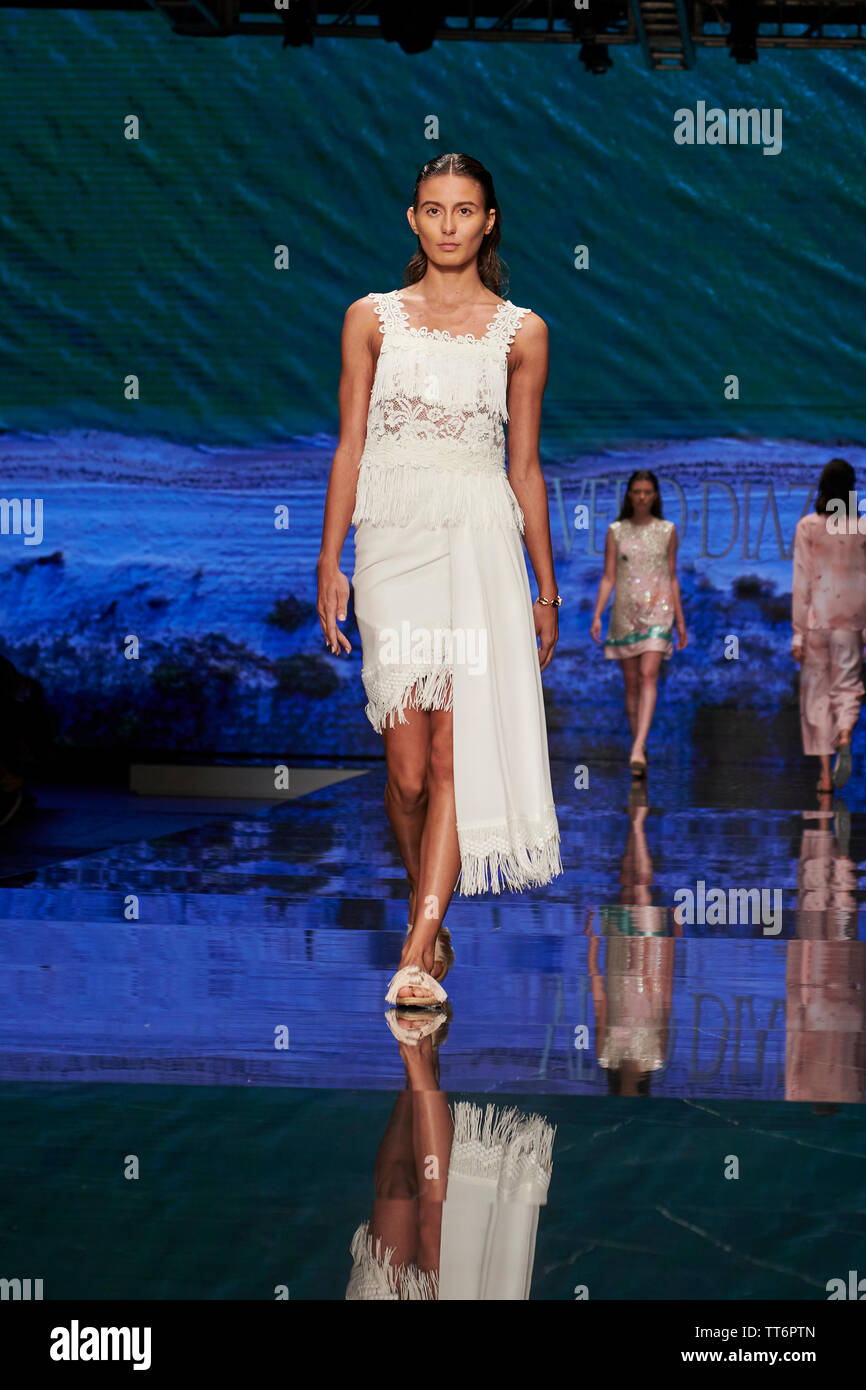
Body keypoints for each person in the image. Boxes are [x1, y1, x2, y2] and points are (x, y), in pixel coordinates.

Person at [316, 152, 562, 1007]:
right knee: (410, 774)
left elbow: (525, 467)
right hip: (393, 541)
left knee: (457, 754)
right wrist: (329, 557)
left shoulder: (520, 331)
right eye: (434, 209)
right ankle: (429, 897)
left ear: (488, 222)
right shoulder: (371, 320)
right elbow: (349, 445)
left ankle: (420, 943)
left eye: (465, 209)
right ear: (412, 220)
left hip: (479, 543)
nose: (449, 223)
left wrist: (546, 587)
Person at [589, 470, 686, 775]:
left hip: (659, 609)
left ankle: (636, 747)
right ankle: (639, 745)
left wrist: (681, 622)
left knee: (648, 675)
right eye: (637, 491)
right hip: (625, 612)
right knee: (631, 684)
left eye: (647, 491)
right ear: (629, 495)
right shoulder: (616, 531)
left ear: (655, 495)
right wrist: (597, 614)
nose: (642, 497)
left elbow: (672, 575)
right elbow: (608, 576)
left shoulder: (668, 530)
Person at [791, 457, 866, 795]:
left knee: (817, 697)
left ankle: (824, 775)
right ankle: (846, 731)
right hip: (851, 618)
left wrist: (797, 632)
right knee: (848, 687)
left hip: (817, 619)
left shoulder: (807, 526)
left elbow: (802, 580)